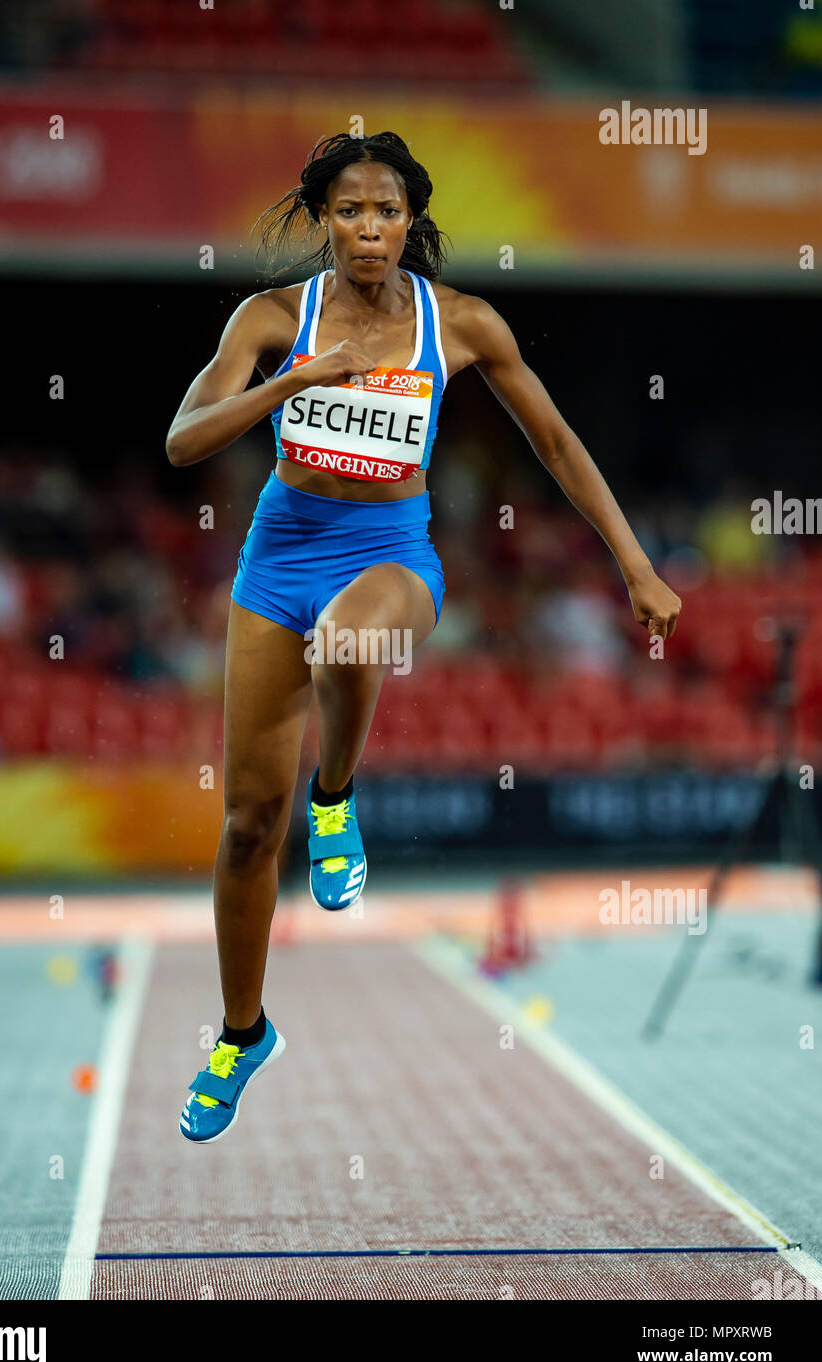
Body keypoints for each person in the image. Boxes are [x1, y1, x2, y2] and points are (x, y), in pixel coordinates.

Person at [166, 131, 681, 1143]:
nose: (368, 228)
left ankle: (338, 798)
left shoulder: (463, 325)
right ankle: (241, 1032)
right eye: (349, 210)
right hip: (279, 559)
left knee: (348, 642)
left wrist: (635, 562)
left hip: (392, 550)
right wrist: (294, 384)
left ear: (412, 221)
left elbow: (557, 443)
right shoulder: (274, 317)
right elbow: (184, 439)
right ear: (324, 220)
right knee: (241, 831)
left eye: (387, 211)